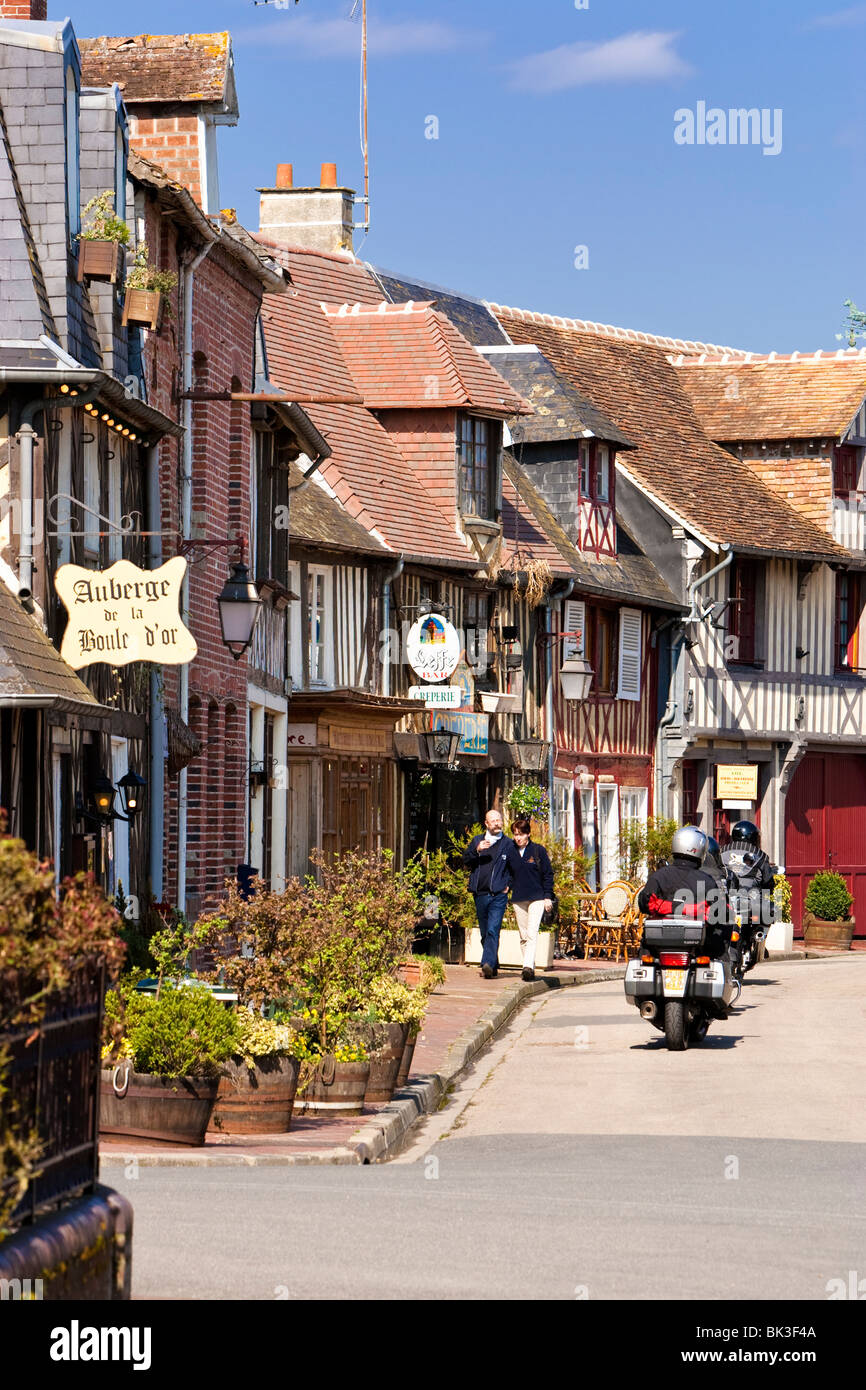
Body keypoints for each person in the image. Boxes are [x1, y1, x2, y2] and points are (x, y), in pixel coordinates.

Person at [638, 825, 729, 958]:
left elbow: (643, 903)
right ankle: (725, 972)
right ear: (700, 851)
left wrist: (667, 908)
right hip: (697, 947)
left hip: (657, 946)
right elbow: (719, 912)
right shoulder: (707, 881)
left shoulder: (658, 876)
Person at [463, 809, 516, 978]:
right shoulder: (477, 840)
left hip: (498, 895)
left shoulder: (508, 844)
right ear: (486, 824)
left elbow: (516, 868)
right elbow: (465, 861)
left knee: (494, 929)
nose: (497, 823)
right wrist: (476, 850)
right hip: (480, 893)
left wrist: (509, 885)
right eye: (493, 821)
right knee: (485, 932)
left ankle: (486, 963)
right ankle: (493, 964)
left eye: (499, 820)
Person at [509, 817, 555, 982]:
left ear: (528, 834)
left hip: (537, 897)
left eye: (521, 834)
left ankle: (527, 967)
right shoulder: (510, 851)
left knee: (532, 932)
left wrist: (547, 896)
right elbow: (507, 873)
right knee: (523, 935)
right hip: (519, 898)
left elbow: (548, 874)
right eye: (515, 834)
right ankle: (530, 966)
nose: (518, 838)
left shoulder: (538, 851)